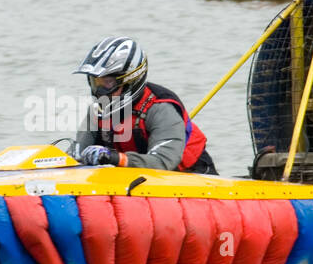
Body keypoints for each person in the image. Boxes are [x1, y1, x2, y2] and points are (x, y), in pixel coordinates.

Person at [72, 37, 217, 174]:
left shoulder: (161, 107)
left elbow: (162, 162)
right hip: (135, 178)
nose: (100, 92)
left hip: (191, 177)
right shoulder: (99, 110)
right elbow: (75, 156)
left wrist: (114, 158)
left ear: (130, 81)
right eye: (95, 83)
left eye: (107, 83)